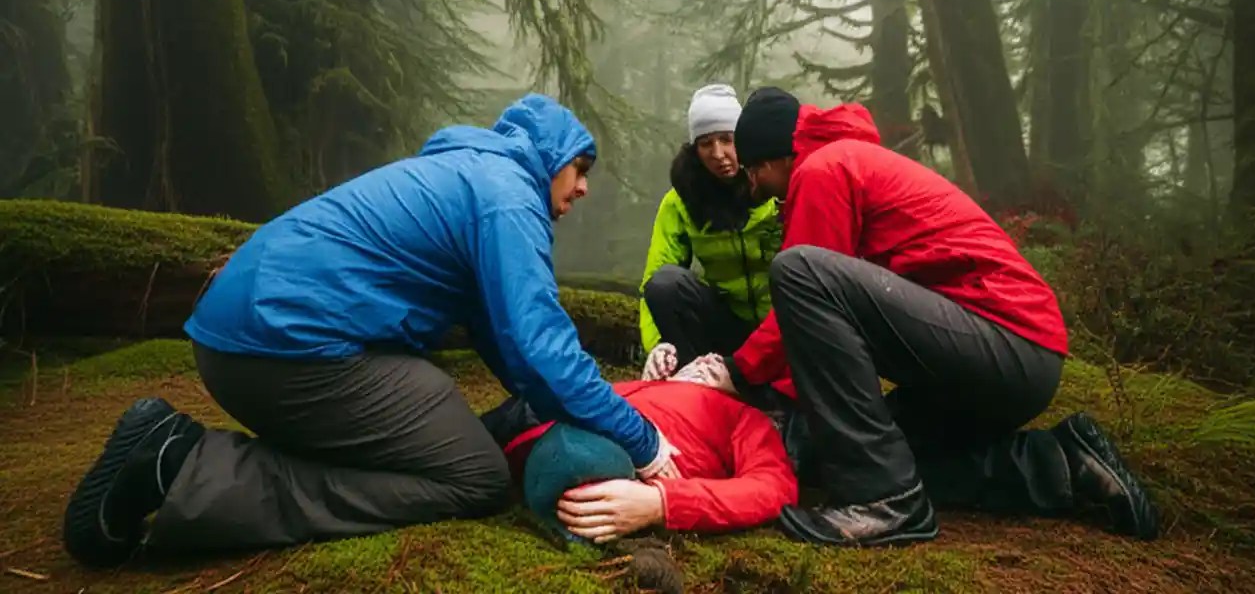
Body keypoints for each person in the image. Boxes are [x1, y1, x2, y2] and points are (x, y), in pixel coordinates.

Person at [62, 94, 681, 568]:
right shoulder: (505, 196)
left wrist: (537, 408)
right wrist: (646, 442)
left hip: (250, 337)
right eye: (579, 168)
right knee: (476, 480)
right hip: (283, 348)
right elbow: (543, 344)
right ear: (548, 157)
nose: (584, 187)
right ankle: (177, 466)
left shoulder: (468, 176)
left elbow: (508, 341)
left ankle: (174, 453)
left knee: (432, 397)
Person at [671, 87, 1160, 547]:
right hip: (1001, 357)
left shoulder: (824, 169)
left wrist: (734, 372)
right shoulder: (849, 163)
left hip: (1008, 344)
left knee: (798, 269)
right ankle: (1065, 465)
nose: (756, 188)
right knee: (879, 448)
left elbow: (808, 291)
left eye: (756, 173)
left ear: (776, 157)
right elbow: (822, 329)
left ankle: (883, 500)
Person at [481, 376, 798, 544]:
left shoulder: (748, 420)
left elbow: (773, 489)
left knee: (577, 459)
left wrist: (661, 503)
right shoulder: (673, 385)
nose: (708, 364)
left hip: (572, 449)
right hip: (540, 415)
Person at [638, 84, 782, 380]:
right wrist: (658, 345)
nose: (718, 154)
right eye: (706, 144)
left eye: (727, 140)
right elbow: (654, 276)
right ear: (695, 150)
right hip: (727, 330)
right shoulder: (681, 200)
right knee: (665, 284)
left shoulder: (774, 184)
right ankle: (695, 383)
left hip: (783, 329)